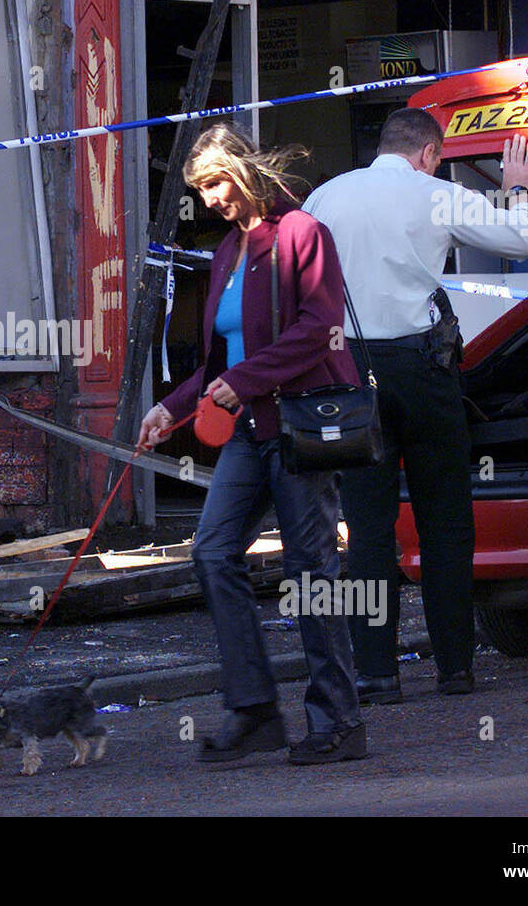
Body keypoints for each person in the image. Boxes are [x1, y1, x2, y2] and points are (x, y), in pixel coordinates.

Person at [137, 122, 365, 765]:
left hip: (299, 429)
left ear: (243, 172)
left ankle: (341, 722)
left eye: (213, 183)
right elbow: (218, 362)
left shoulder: (302, 234)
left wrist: (240, 381)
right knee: (212, 553)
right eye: (200, 189)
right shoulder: (227, 255)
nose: (208, 199)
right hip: (248, 431)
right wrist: (170, 408)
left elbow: (319, 329)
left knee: (311, 574)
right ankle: (256, 709)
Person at [303, 108, 528, 703]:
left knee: (366, 530)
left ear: (384, 146)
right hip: (423, 371)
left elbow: (300, 282)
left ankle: (377, 674)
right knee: (445, 522)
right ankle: (455, 668)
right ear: (429, 154)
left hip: (353, 373)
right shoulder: (440, 195)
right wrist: (519, 190)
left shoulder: (326, 197)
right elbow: (521, 240)